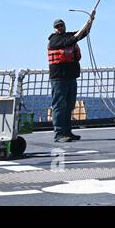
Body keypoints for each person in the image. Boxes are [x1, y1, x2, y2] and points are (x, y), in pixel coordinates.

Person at [48, 12, 94, 143]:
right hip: (59, 79)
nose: (59, 28)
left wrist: (91, 21)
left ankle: (67, 132)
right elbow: (74, 38)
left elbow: (84, 32)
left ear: (64, 26)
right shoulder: (54, 40)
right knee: (59, 106)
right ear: (54, 28)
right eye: (57, 27)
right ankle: (59, 133)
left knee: (69, 105)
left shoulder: (68, 36)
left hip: (71, 77)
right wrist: (85, 26)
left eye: (61, 26)